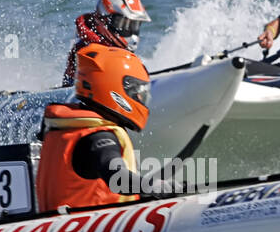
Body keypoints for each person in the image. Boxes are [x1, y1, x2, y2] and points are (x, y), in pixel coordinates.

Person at [38, 44, 177, 211]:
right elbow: (118, 179)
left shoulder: (64, 129)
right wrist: (155, 186)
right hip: (86, 231)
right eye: (137, 91)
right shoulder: (98, 137)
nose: (140, 98)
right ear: (116, 89)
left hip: (61, 227)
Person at [61, 0, 152, 87]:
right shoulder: (86, 50)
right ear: (104, 20)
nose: (131, 32)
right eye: (123, 24)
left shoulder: (113, 49)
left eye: (135, 25)